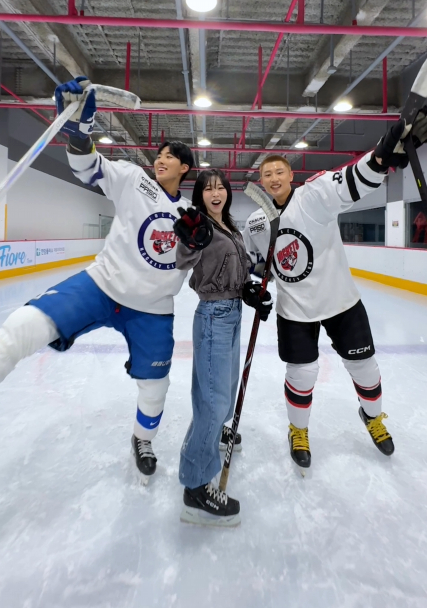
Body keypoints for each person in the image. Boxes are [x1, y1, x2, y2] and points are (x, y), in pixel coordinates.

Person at [0, 77, 194, 482]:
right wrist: (78, 133)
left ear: (185, 168)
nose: (160, 159)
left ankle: (142, 439)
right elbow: (87, 167)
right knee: (23, 326)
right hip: (101, 285)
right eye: (159, 154)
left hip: (153, 310)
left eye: (170, 157)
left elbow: (211, 255)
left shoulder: (192, 213)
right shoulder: (133, 178)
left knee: (155, 386)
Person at [243, 116, 427, 472]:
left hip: (341, 301)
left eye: (279, 171)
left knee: (365, 368)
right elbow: (256, 262)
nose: (274, 178)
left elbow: (351, 181)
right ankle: (298, 430)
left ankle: (372, 417)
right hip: (294, 309)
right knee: (302, 374)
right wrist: (251, 285)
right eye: (267, 174)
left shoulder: (314, 195)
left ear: (291, 175)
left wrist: (378, 159)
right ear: (261, 181)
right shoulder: (255, 222)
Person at [173, 169, 272, 526]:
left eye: (220, 188)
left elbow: (239, 268)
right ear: (200, 194)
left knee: (224, 394)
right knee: (213, 402)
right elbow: (183, 258)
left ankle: (212, 435)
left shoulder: (230, 226)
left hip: (231, 314)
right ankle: (195, 487)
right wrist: (189, 242)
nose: (216, 193)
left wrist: (249, 290)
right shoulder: (199, 226)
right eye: (208, 189)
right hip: (214, 316)